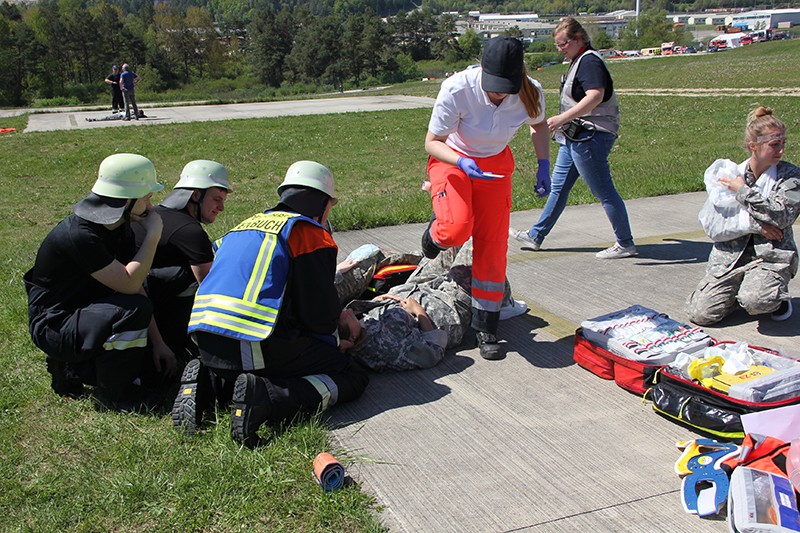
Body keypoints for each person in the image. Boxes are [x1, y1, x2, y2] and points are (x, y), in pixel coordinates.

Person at [174, 161, 369, 445]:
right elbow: (318, 315)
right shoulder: (309, 233)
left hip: (206, 338)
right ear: (325, 205)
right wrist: (337, 340)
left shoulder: (242, 227)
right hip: (251, 341)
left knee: (252, 367)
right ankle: (269, 398)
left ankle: (209, 382)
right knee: (350, 373)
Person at [422, 35, 550, 361]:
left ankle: (486, 325)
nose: (498, 94)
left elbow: (538, 126)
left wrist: (543, 165)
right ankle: (436, 230)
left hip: (495, 167)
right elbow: (432, 141)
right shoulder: (456, 89)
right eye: (493, 86)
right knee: (456, 229)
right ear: (482, 69)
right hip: (452, 159)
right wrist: (462, 162)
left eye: (506, 87)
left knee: (493, 245)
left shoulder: (530, 91)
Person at [23, 153, 177, 407]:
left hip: (83, 311)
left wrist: (160, 344)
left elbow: (136, 285)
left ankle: (75, 368)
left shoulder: (116, 227)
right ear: (127, 200)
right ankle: (117, 394)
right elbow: (129, 283)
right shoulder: (80, 235)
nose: (151, 207)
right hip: (54, 325)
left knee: (145, 317)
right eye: (147, 197)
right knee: (134, 310)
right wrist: (152, 235)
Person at [510, 17, 636, 260]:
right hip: (575, 136)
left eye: (564, 44)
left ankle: (625, 243)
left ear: (580, 39)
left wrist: (561, 118)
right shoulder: (579, 60)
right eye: (558, 45)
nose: (560, 49)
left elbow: (595, 95)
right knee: (558, 188)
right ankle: (536, 235)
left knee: (604, 191)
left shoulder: (589, 62)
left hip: (590, 136)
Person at [686, 106, 800, 325]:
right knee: (700, 314)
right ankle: (739, 291)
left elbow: (781, 216)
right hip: (729, 258)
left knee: (757, 300)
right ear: (753, 146)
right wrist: (756, 224)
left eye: (783, 143)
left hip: (770, 257)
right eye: (774, 145)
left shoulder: (791, 177)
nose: (781, 150)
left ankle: (776, 298)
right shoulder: (731, 174)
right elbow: (712, 223)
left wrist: (742, 192)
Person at [135, 160, 231, 360]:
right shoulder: (189, 232)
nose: (221, 207)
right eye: (216, 199)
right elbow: (211, 290)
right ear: (196, 195)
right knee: (190, 277)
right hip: (150, 325)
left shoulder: (154, 215)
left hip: (133, 314)